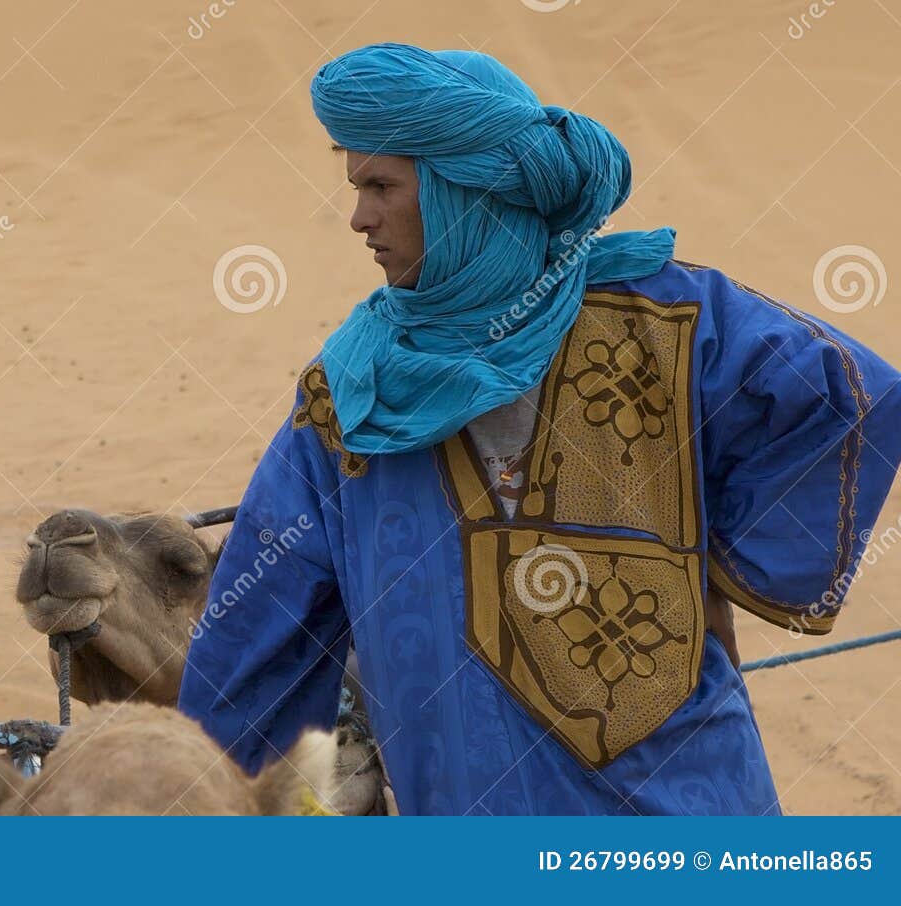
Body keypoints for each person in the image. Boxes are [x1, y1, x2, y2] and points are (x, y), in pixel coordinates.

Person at [178, 43, 901, 815]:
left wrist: (709, 553)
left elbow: (849, 395)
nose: (358, 218)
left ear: (466, 191)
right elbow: (260, 631)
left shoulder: (671, 321)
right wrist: (199, 799)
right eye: (357, 189)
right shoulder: (354, 393)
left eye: (381, 187)